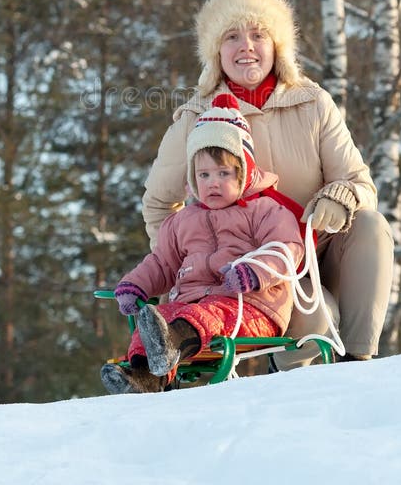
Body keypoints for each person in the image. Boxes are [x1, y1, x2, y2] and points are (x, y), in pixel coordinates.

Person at [142, 0, 394, 367]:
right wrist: (188, 263)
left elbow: (360, 182)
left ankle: (359, 361)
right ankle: (283, 389)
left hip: (316, 250)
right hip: (251, 272)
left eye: (258, 35)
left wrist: (340, 196)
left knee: (371, 225)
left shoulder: (313, 103)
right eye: (231, 37)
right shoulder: (196, 117)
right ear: (216, 52)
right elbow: (159, 206)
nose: (247, 47)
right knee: (318, 322)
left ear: (277, 45)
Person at [100, 94, 305, 394]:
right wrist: (135, 285)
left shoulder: (265, 210)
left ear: (244, 170)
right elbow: (162, 263)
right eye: (204, 174)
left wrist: (253, 271)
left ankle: (169, 346)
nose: (213, 182)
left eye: (224, 173)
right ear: (193, 179)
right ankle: (144, 377)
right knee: (160, 317)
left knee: (203, 313)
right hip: (193, 307)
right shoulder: (183, 220)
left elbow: (287, 248)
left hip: (250, 308)